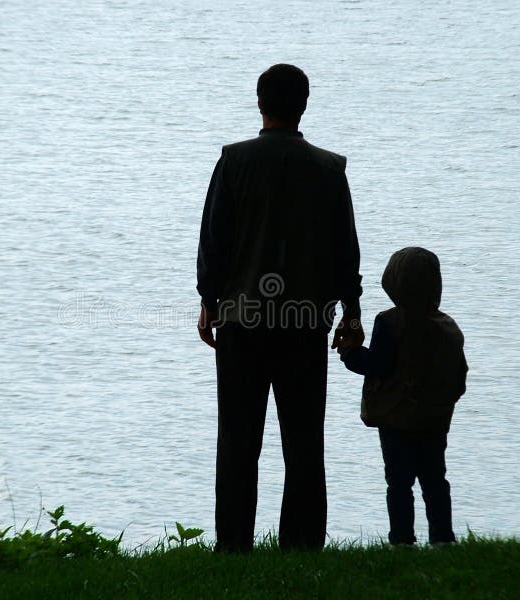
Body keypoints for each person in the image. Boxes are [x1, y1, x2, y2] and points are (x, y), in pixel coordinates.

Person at [196, 64, 363, 552]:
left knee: (238, 443)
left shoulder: (233, 160)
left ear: (259, 102)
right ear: (305, 105)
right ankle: (303, 545)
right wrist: (350, 310)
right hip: (305, 323)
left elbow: (214, 241)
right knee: (305, 443)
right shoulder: (330, 169)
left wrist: (210, 302)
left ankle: (233, 548)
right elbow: (344, 250)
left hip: (241, 323)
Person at [337, 247, 468, 545]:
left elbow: (378, 366)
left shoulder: (389, 322)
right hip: (434, 419)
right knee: (435, 480)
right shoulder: (446, 326)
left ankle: (402, 540)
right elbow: (458, 375)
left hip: (395, 419)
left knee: (398, 482)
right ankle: (443, 538)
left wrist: (349, 353)